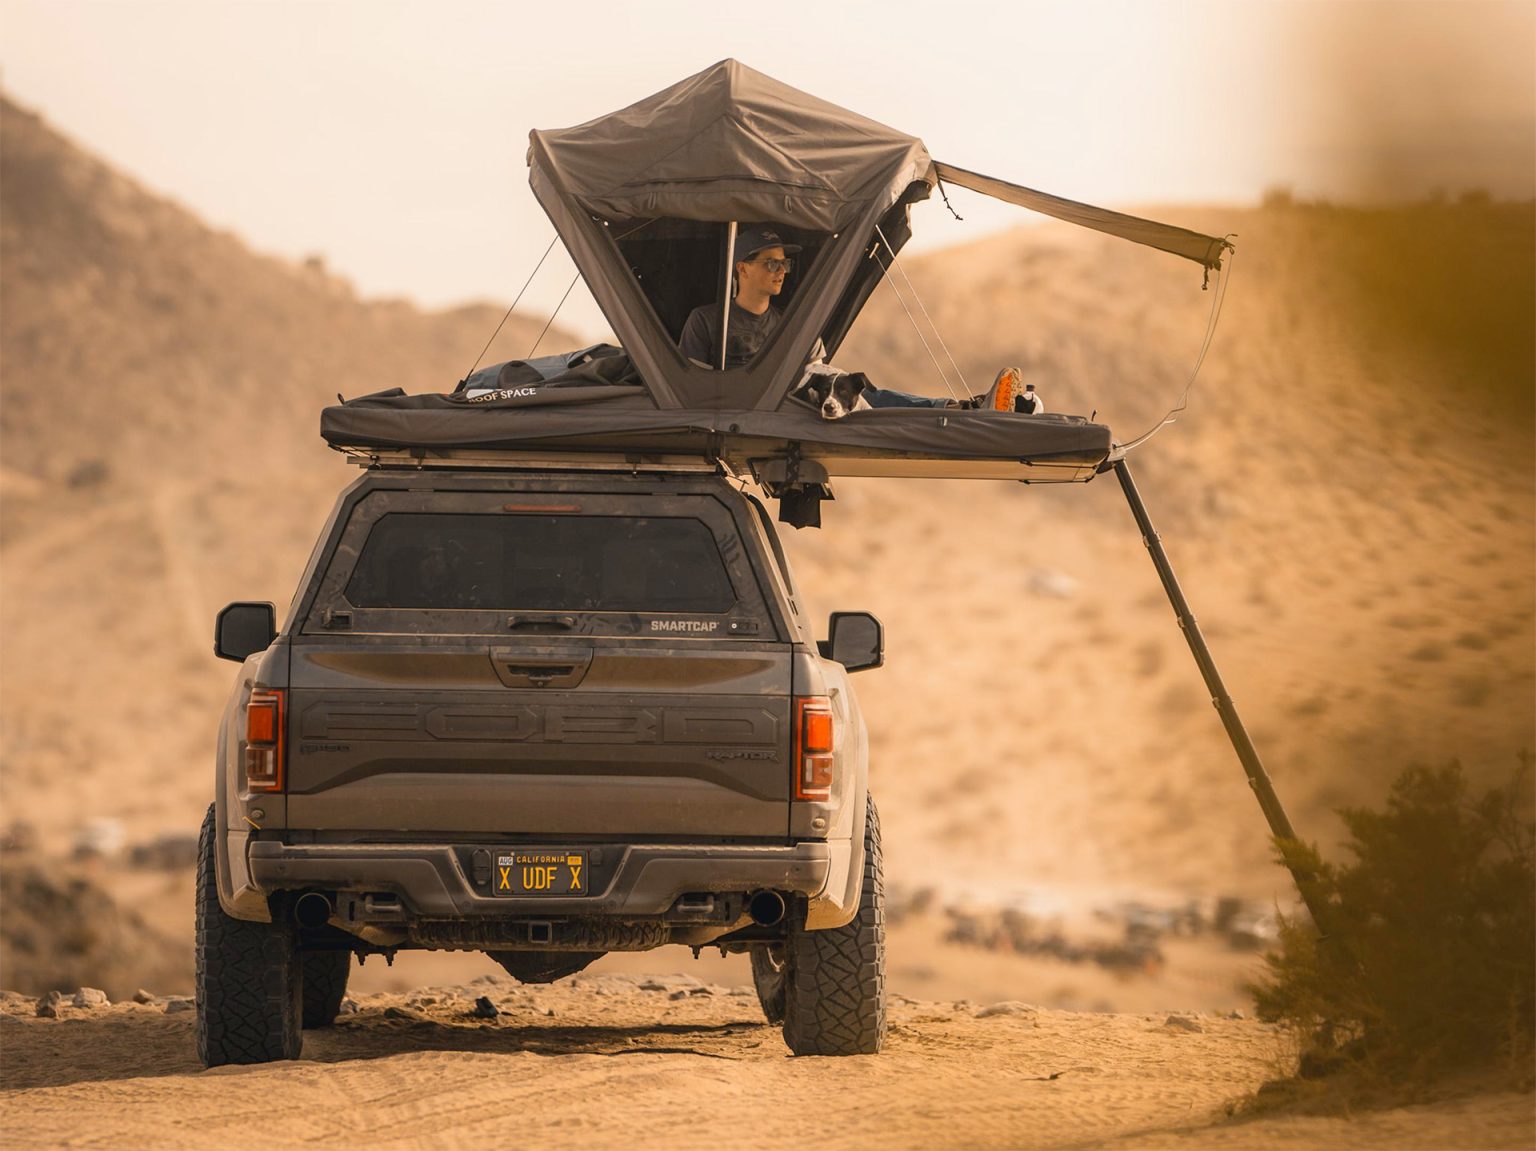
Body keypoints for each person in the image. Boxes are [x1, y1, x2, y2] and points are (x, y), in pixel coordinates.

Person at [678, 224, 1027, 411]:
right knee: (864, 397)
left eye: (785, 264)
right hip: (761, 407)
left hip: (808, 400)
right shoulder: (707, 321)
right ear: (743, 268)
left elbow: (820, 373)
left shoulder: (794, 325)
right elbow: (693, 385)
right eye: (772, 263)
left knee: (860, 393)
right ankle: (965, 410)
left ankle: (966, 409)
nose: (781, 271)